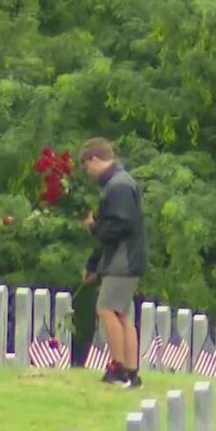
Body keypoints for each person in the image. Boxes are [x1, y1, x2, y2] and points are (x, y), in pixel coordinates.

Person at [79, 138, 148, 388]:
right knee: (122, 314)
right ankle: (131, 371)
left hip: (123, 259)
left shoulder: (117, 186)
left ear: (95, 159)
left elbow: (121, 225)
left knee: (107, 309)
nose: (88, 172)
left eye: (87, 166)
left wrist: (94, 227)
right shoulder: (121, 182)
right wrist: (93, 265)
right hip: (125, 258)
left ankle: (118, 368)